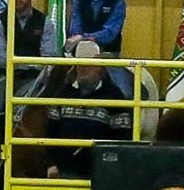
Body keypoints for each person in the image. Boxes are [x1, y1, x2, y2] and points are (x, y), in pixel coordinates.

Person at [44, 41, 131, 179]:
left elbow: (123, 139)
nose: (83, 69)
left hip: (100, 173)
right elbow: (50, 133)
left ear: (99, 67)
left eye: (88, 64)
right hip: (64, 170)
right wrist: (51, 164)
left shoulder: (114, 97)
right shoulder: (63, 94)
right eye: (80, 64)